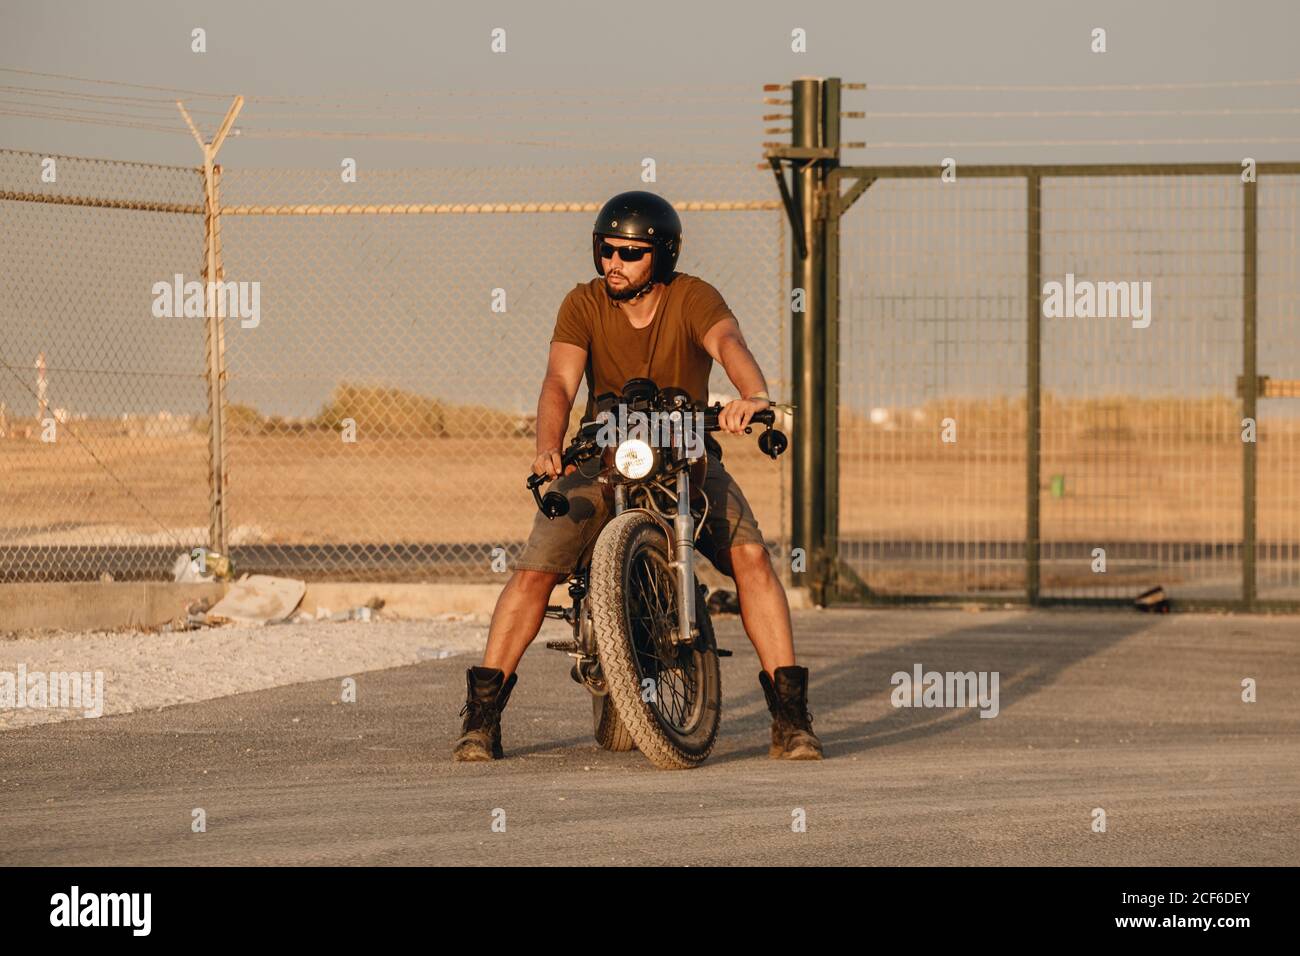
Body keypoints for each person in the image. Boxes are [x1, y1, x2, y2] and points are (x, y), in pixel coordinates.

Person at [453, 190, 823, 762]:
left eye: (629, 253)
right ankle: (481, 718)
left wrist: (753, 397)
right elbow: (558, 381)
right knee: (534, 570)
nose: (613, 264)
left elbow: (728, 343)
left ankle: (791, 719)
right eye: (605, 250)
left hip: (688, 453)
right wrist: (549, 447)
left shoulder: (692, 297)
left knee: (752, 559)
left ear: (662, 257)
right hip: (602, 456)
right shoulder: (583, 303)